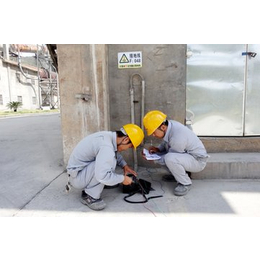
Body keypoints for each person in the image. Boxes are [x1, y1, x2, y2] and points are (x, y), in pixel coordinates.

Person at [66, 124, 144, 211]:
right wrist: (122, 179)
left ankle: (98, 183)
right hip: (77, 178)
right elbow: (102, 175)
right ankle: (89, 196)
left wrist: (124, 165)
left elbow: (115, 152)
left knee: (109, 160)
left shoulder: (108, 137)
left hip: (79, 172)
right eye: (129, 147)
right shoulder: (107, 147)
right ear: (126, 139)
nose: (126, 149)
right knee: (108, 164)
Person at [142, 110, 209, 196]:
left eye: (154, 132)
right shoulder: (171, 125)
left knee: (169, 159)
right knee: (167, 158)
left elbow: (169, 158)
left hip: (197, 161)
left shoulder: (177, 137)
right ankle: (176, 175)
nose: (153, 135)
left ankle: (185, 183)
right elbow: (166, 142)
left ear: (162, 127)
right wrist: (158, 149)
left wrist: (152, 158)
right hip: (187, 156)